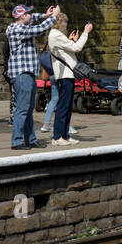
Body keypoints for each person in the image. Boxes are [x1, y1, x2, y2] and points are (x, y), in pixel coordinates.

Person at [5, 2, 58, 150]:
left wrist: (45, 15)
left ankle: (30, 139)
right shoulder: (18, 29)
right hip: (22, 74)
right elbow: (39, 29)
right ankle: (16, 141)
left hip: (27, 74)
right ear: (22, 16)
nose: (30, 15)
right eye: (27, 13)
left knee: (28, 109)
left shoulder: (21, 24)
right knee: (22, 109)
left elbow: (33, 18)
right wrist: (53, 17)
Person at [46, 13, 92, 146]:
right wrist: (85, 33)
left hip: (68, 74)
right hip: (65, 75)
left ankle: (64, 135)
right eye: (65, 22)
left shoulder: (57, 35)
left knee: (67, 106)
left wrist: (71, 40)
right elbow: (76, 48)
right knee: (63, 106)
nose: (66, 25)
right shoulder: (55, 34)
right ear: (60, 23)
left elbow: (67, 49)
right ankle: (57, 137)